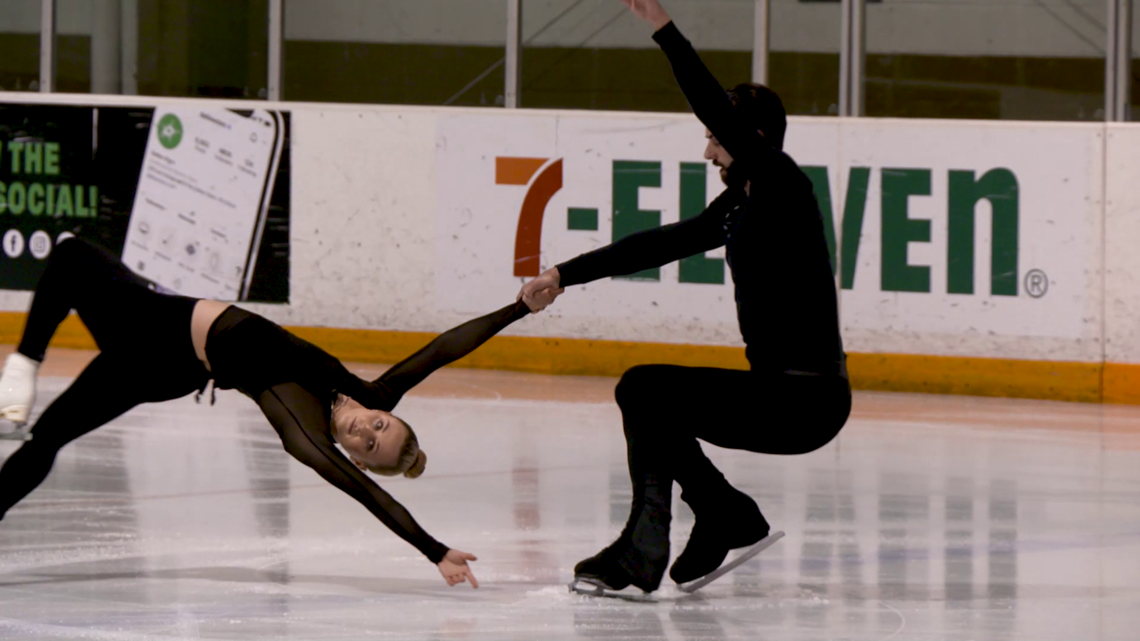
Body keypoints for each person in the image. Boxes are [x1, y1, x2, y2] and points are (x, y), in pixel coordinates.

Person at [518, 0, 852, 594]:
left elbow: (711, 104)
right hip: (780, 392)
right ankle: (718, 514)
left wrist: (663, 29)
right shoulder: (741, 203)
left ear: (751, 138)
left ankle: (664, 539)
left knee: (646, 390)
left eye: (716, 139)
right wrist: (564, 274)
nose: (708, 152)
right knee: (648, 394)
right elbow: (664, 242)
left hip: (807, 400)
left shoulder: (784, 186)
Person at [0, 236, 560, 588]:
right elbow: (441, 350)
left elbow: (370, 495)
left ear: (357, 458)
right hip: (170, 350)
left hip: (157, 346)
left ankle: (24, 362)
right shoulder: (370, 393)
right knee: (48, 432)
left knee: (71, 258)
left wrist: (433, 550)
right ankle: (22, 379)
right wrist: (517, 309)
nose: (366, 428)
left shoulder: (305, 432)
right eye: (381, 425)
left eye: (368, 446)